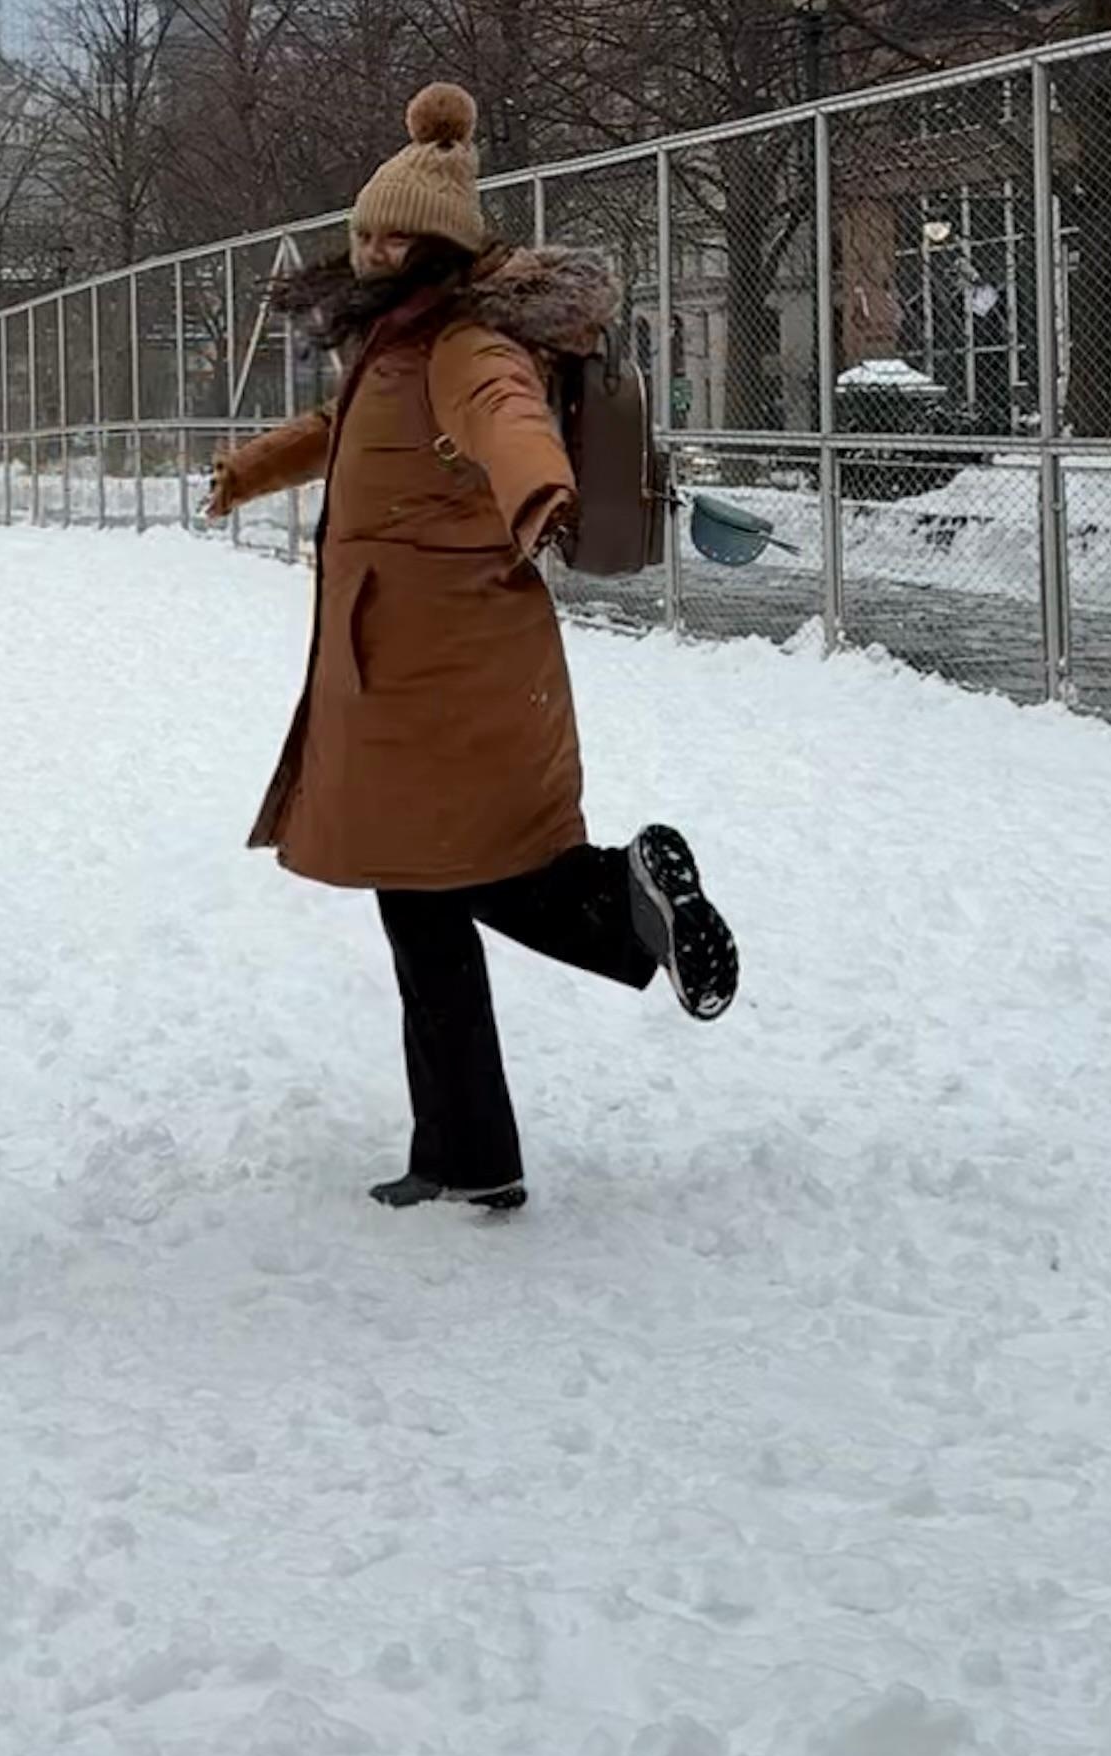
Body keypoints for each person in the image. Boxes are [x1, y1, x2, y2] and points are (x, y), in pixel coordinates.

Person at [208, 86, 739, 1218]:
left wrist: (539, 488)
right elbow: (338, 433)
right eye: (363, 232)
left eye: (384, 235)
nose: (365, 250)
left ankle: (629, 904)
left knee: (478, 882)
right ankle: (468, 1151)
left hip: (445, 673)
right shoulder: (390, 350)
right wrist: (247, 470)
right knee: (427, 901)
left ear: (430, 247)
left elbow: (507, 414)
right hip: (410, 669)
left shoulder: (460, 344)